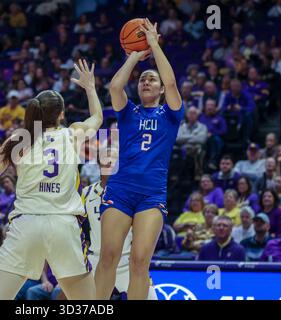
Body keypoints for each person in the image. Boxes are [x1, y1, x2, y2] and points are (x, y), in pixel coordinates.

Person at [0, 59, 102, 300]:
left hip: (26, 225)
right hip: (64, 226)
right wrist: (90, 87)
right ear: (62, 114)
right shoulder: (72, 133)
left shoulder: (19, 138)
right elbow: (97, 117)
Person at [96, 19, 184, 300]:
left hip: (151, 195)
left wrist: (154, 45)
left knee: (139, 263)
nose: (146, 81)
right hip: (120, 190)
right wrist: (135, 55)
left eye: (152, 79)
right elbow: (114, 87)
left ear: (160, 90)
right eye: (143, 79)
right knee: (108, 257)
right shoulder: (128, 112)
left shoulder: (171, 114)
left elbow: (170, 80)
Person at [82, 150, 157, 300]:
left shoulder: (132, 192)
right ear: (99, 163)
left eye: (114, 159)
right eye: (106, 158)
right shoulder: (86, 192)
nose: (110, 162)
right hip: (96, 259)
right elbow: (77, 228)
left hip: (127, 261)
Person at [176, 106, 208, 179]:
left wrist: (186, 138)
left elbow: (202, 140)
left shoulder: (203, 127)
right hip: (184, 148)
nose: (192, 115)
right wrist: (193, 136)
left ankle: (198, 173)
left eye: (194, 113)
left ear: (197, 115)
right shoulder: (181, 126)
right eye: (190, 113)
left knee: (200, 151)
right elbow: (177, 138)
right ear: (187, 115)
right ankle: (178, 175)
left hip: (196, 148)